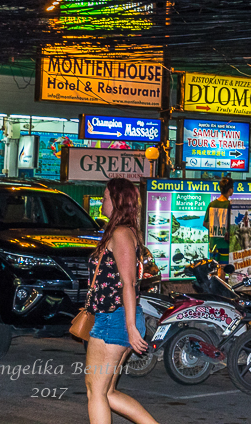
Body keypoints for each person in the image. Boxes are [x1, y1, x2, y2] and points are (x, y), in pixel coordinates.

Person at [84, 178, 160, 424]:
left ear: (116, 201)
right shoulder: (123, 232)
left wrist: (130, 327)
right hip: (116, 317)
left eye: (105, 197)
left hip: (114, 319)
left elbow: (128, 283)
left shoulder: (121, 233)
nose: (102, 201)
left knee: (95, 391)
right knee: (107, 393)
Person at [203, 176, 233, 277]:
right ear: (230, 190)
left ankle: (213, 291)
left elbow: (205, 223)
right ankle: (221, 292)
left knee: (214, 270)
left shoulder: (211, 204)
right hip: (225, 244)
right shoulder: (230, 205)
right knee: (223, 271)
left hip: (213, 244)